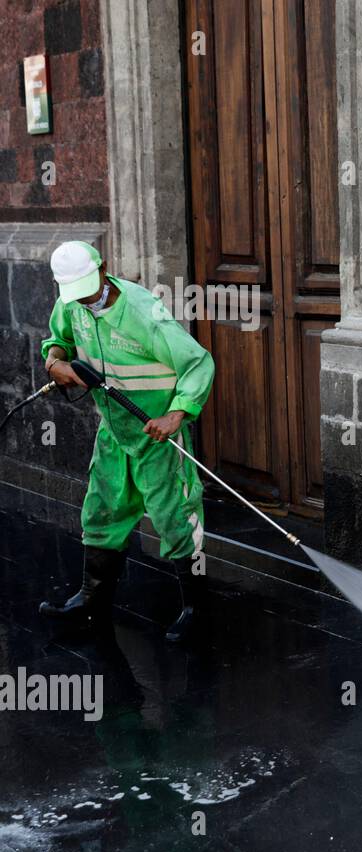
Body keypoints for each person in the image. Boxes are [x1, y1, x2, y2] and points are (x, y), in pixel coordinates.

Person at [38, 241, 215, 642]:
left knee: (176, 518)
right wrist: (55, 362)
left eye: (87, 285)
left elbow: (197, 362)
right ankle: (91, 600)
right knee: (101, 512)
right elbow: (57, 340)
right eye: (74, 291)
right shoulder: (71, 304)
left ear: (103, 269)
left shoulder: (142, 311)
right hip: (114, 431)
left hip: (157, 435)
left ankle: (197, 609)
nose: (83, 298)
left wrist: (176, 415)